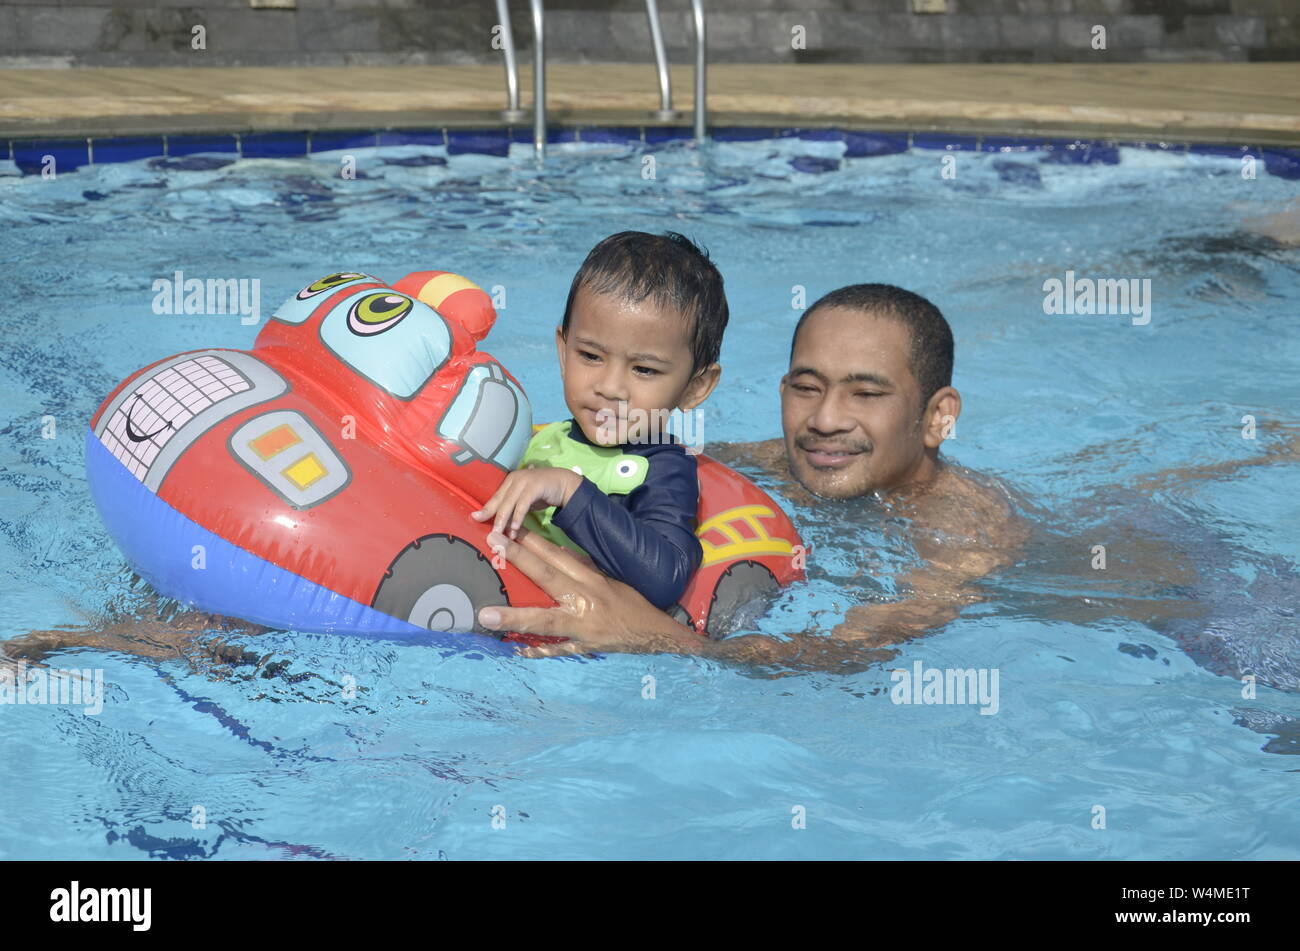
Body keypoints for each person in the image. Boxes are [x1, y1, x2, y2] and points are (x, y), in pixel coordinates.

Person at [476, 283, 1028, 662]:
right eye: (807, 388)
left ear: (938, 417)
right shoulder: (750, 465)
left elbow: (835, 660)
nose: (826, 420)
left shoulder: (965, 541)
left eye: (865, 393)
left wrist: (648, 636)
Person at [472, 231, 726, 610]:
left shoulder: (662, 469)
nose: (609, 387)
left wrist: (569, 491)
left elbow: (666, 576)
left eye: (644, 369)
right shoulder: (539, 440)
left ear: (695, 387)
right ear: (563, 351)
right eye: (590, 356)